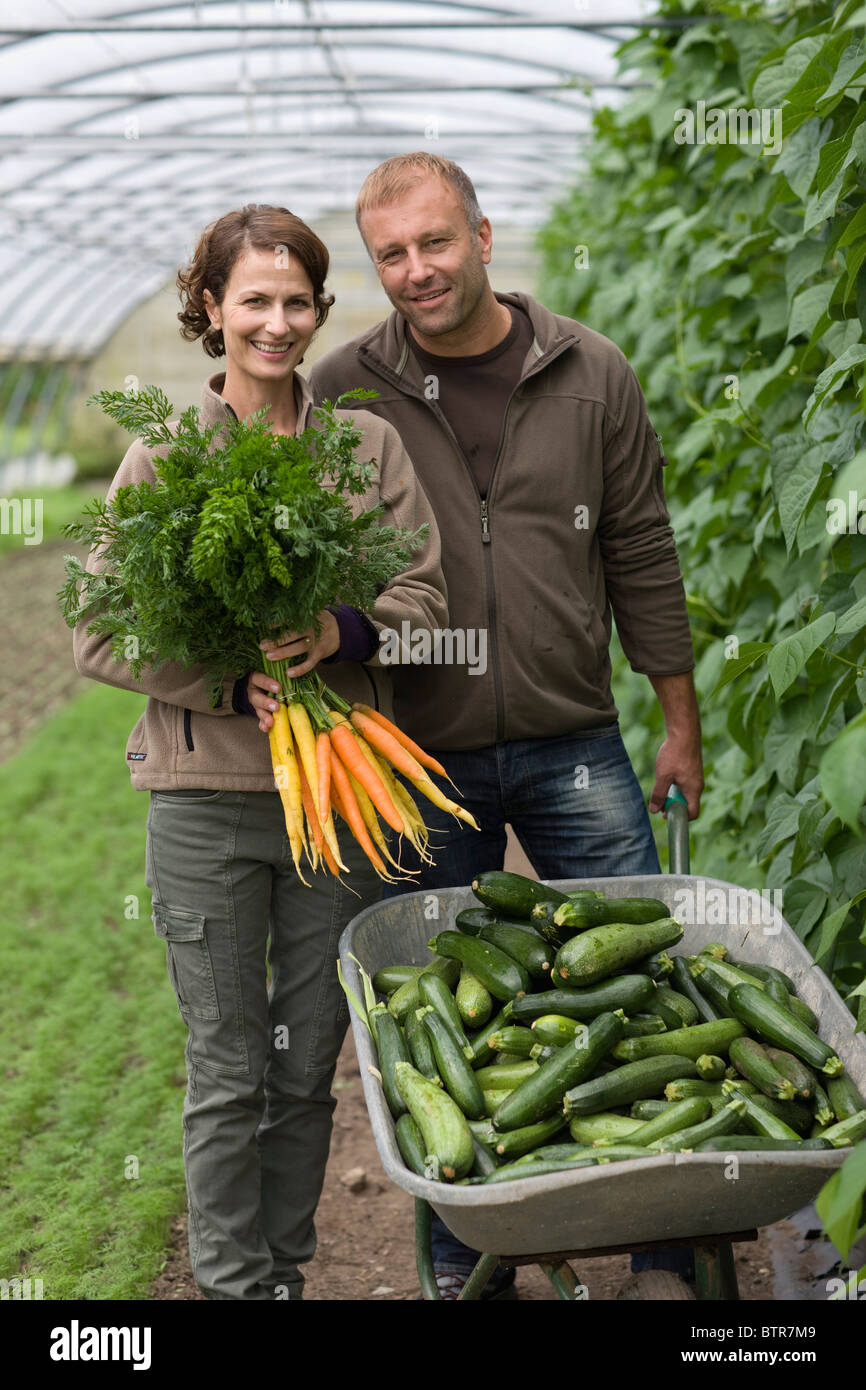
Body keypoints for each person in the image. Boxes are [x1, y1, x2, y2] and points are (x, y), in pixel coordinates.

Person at [297, 154, 704, 1300]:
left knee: (647, 981)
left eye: (433, 242)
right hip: (415, 757)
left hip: (576, 737)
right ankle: (468, 1260)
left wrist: (677, 724)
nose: (415, 271)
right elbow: (321, 574)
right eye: (390, 255)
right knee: (431, 1014)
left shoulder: (589, 371)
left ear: (481, 233)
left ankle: (661, 1258)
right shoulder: (344, 388)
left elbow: (640, 554)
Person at [72, 204, 448, 1301]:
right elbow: (101, 626)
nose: (277, 324)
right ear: (210, 310)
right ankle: (235, 1287)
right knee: (228, 1067)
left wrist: (340, 632)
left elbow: (426, 597)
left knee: (303, 1065)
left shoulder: (362, 444)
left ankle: (282, 1271)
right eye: (254, 301)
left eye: (296, 302)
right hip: (207, 805)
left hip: (340, 801)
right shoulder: (167, 456)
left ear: (319, 312)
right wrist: (229, 683)